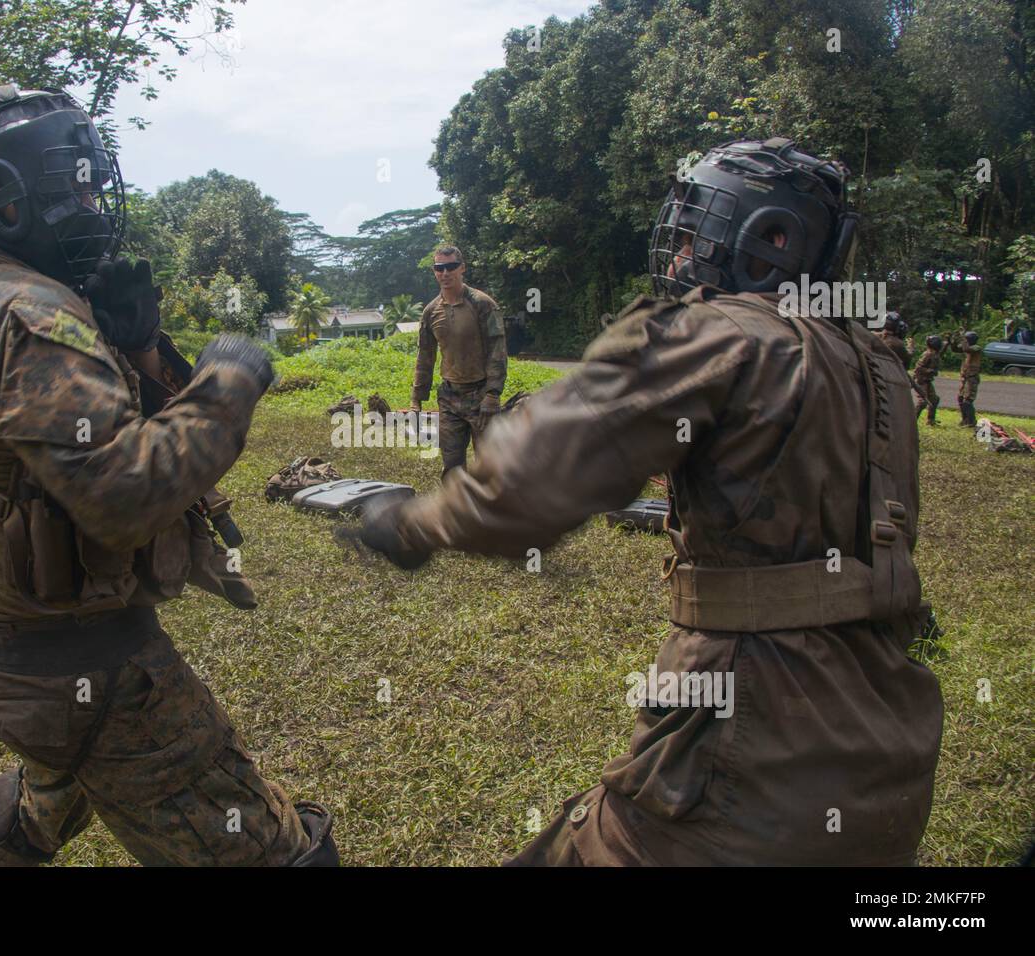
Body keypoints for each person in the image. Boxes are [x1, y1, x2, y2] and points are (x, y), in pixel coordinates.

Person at [346, 137, 942, 865]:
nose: (685, 254)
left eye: (699, 231)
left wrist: (412, 524)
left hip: (748, 753)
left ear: (769, 238)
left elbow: (548, 467)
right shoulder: (880, 366)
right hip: (891, 751)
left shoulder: (724, 335)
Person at [0, 84, 335, 866]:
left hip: (13, 647)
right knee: (268, 851)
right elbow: (123, 497)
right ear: (5, 195)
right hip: (88, 669)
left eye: (92, 177)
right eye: (72, 179)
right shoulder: (27, 313)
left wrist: (141, 347)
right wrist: (230, 379)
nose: (93, 196)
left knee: (43, 805)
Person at [410, 246, 507, 475]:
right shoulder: (431, 312)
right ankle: (459, 510)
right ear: (434, 271)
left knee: (489, 466)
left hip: (481, 395)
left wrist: (493, 394)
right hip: (449, 397)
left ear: (462, 268)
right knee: (452, 466)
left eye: (451, 267)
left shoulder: (483, 304)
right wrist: (417, 399)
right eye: (439, 268)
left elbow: (497, 350)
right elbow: (425, 356)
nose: (445, 273)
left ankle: (491, 510)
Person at [952, 329, 982, 427]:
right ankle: (964, 419)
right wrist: (952, 340)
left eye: (966, 339)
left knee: (967, 401)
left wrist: (962, 339)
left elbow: (966, 349)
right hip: (965, 378)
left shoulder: (976, 347)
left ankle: (971, 421)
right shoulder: (967, 346)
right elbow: (955, 349)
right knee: (960, 399)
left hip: (972, 378)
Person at [912, 335, 943, 425]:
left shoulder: (934, 354)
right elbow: (918, 367)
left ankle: (931, 420)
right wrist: (929, 371)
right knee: (923, 401)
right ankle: (912, 421)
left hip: (927, 380)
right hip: (921, 380)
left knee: (934, 399)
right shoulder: (927, 354)